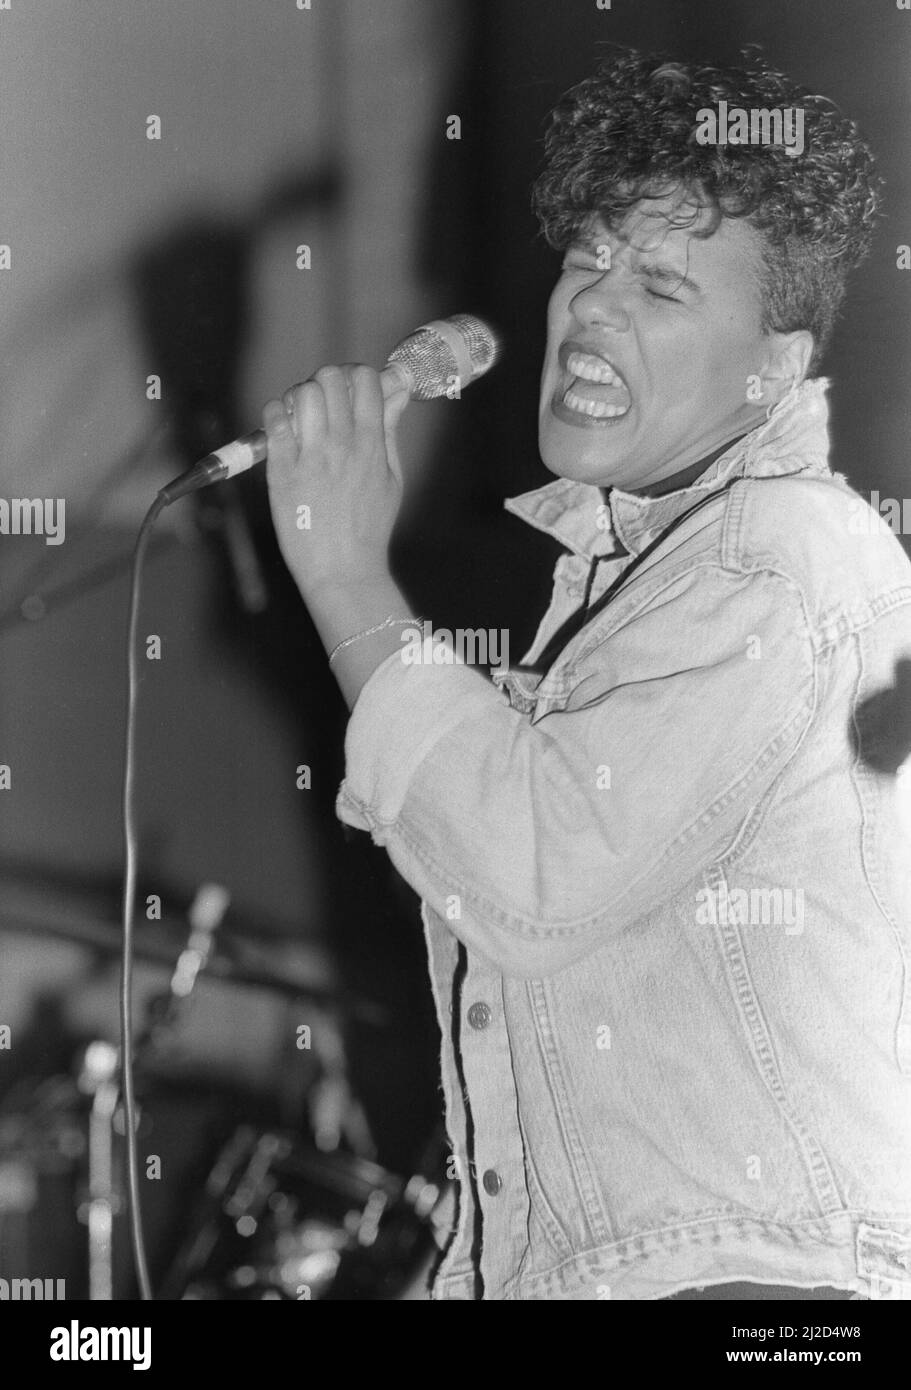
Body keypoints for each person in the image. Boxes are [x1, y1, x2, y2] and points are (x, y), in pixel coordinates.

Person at [261, 49, 911, 1300]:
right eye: (586, 261)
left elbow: (532, 871)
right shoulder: (635, 582)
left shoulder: (781, 556)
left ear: (773, 366)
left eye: (658, 284)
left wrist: (346, 579)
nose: (590, 307)